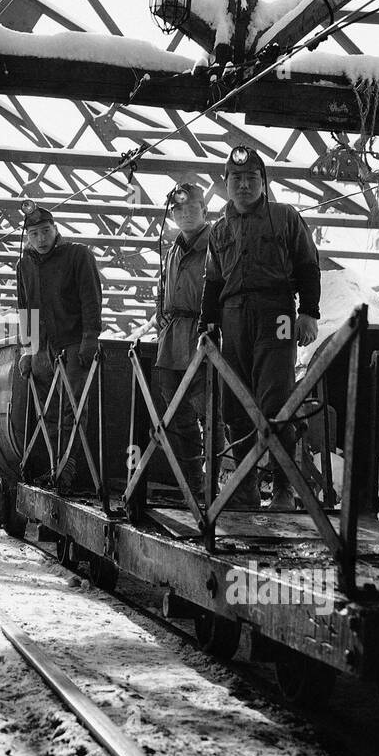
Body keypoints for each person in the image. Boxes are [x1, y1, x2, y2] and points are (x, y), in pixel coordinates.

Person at [201, 146, 320, 510]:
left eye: (252, 178)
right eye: (236, 179)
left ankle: (284, 489)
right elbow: (213, 281)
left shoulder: (285, 217)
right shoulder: (219, 229)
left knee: (276, 402)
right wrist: (208, 325)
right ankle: (246, 487)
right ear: (225, 185)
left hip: (277, 314)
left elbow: (307, 264)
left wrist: (309, 312)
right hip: (234, 316)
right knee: (237, 404)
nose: (243, 186)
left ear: (264, 183)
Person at [15, 206, 102, 487]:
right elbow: (25, 309)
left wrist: (90, 338)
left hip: (73, 343)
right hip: (42, 349)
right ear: (28, 237)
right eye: (34, 234)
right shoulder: (24, 265)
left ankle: (67, 466)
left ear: (56, 230)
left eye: (45, 232)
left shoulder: (78, 255)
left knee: (74, 409)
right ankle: (56, 465)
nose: (41, 239)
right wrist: (27, 350)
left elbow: (91, 298)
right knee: (48, 411)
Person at [153, 180, 212, 500]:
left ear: (204, 210)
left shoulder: (216, 244)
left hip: (203, 336)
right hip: (172, 339)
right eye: (178, 210)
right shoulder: (173, 250)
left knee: (210, 411)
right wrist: (160, 315)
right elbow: (161, 291)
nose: (185, 215)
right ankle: (193, 480)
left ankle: (217, 480)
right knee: (176, 412)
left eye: (192, 209)